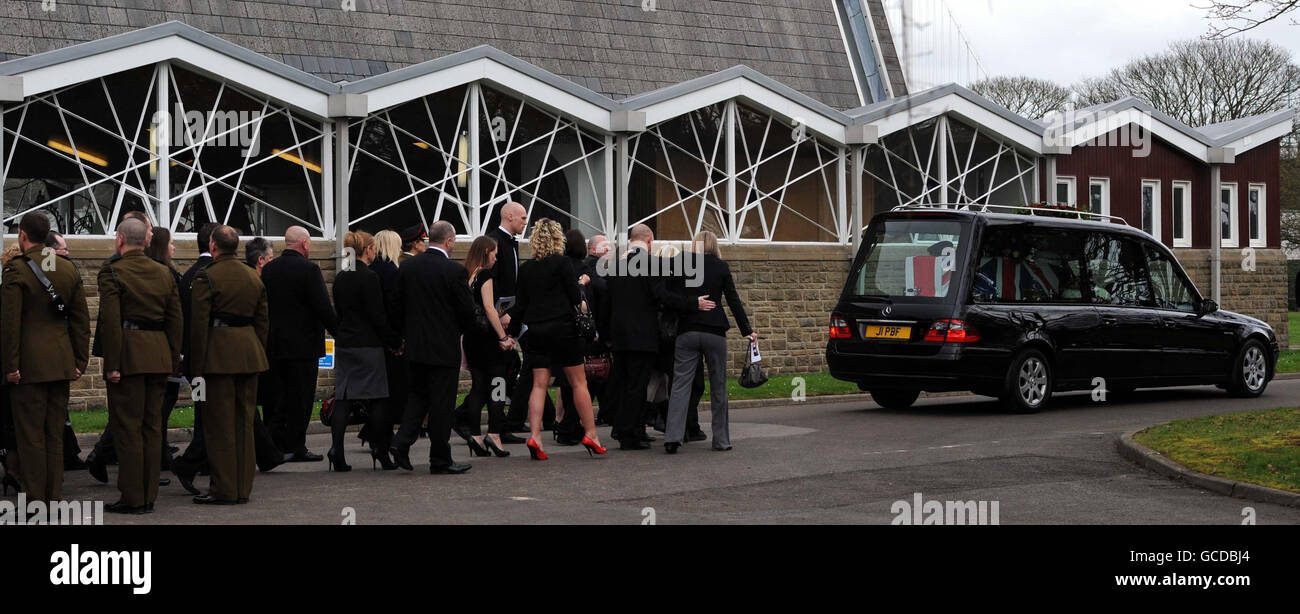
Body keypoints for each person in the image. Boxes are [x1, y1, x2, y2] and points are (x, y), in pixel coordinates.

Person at [1, 211, 91, 502]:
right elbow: (80, 321)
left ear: (23, 236)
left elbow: (10, 324)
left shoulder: (16, 269)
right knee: (54, 433)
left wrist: (10, 365)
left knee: (31, 435)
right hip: (61, 361)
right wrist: (79, 361)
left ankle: (36, 497)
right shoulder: (63, 267)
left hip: (29, 365)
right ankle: (53, 495)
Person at [598, 224, 714, 450]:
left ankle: (624, 427)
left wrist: (606, 335)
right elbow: (663, 296)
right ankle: (628, 434)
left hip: (619, 334)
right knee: (637, 385)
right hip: (642, 334)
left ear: (631, 240)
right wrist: (693, 302)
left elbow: (606, 303)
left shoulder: (616, 265)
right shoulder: (653, 264)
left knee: (624, 383)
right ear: (650, 241)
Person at [96, 218, 183, 513]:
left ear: (120, 239)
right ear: (145, 241)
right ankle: (148, 494)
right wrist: (171, 358)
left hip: (129, 357)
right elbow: (175, 320)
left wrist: (113, 364)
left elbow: (110, 322)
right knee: (151, 427)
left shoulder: (112, 272)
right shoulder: (164, 273)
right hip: (158, 355)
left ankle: (133, 496)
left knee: (128, 429)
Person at [503, 218, 607, 460]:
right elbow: (574, 297)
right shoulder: (562, 264)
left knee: (539, 384)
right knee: (578, 382)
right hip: (563, 329)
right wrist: (580, 288)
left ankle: (536, 436)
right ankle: (591, 433)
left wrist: (511, 334)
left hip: (536, 331)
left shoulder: (527, 268)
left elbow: (521, 305)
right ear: (557, 239)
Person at [189, 224, 270, 504]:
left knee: (220, 426)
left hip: (218, 358)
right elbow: (262, 322)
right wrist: (256, 350)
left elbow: (199, 328)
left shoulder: (206, 277)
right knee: (244, 423)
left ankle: (224, 488)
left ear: (213, 246)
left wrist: (195, 368)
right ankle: (242, 488)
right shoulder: (252, 276)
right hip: (249, 355)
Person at [390, 220, 475, 475]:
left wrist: (400, 339)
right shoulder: (454, 271)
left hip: (416, 346)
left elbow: (397, 307)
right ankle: (440, 459)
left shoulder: (408, 268)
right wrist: (457, 331)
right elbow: (467, 311)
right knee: (441, 404)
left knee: (418, 396)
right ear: (448, 241)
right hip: (443, 348)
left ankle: (401, 442)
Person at [663, 231, 756, 453]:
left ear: (695, 244)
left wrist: (692, 304)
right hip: (715, 331)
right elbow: (733, 301)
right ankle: (721, 440)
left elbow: (668, 297)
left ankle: (673, 437)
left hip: (687, 331)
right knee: (719, 387)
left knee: (680, 386)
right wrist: (748, 331)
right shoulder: (721, 267)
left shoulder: (680, 264)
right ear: (715, 245)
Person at [262, 225, 337, 462]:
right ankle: (295, 445)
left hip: (274, 345)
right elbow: (322, 307)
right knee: (301, 398)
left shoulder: (269, 269)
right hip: (303, 347)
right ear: (304, 244)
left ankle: (273, 443)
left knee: (277, 397)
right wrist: (340, 334)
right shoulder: (309, 270)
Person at [330, 231, 402, 471]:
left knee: (343, 396)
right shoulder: (369, 278)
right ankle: (380, 450)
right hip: (368, 344)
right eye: (372, 249)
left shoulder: (341, 277)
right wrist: (394, 341)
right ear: (368, 250)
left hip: (346, 342)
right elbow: (377, 316)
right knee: (378, 397)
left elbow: (339, 311)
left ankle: (336, 450)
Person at [493, 202, 554, 436]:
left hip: (515, 314)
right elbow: (494, 280)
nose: (525, 221)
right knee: (526, 366)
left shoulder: (511, 242)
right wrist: (501, 314)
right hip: (504, 315)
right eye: (522, 217)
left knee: (532, 364)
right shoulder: (496, 242)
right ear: (509, 216)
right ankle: (509, 421)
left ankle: (538, 418)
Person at [452, 236, 513, 457]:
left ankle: (476, 436)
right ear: (486, 251)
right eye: (495, 253)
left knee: (478, 387)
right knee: (498, 384)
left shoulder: (467, 274)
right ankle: (494, 434)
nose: (497, 258)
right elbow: (488, 307)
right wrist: (503, 336)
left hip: (471, 337)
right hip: (487, 339)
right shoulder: (485, 275)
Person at [362, 229, 405, 450]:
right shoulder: (391, 271)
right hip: (387, 340)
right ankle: (382, 438)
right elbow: (393, 308)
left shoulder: (369, 270)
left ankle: (373, 432)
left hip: (367, 338)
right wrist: (397, 340)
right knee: (389, 393)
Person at [146, 228, 185, 472]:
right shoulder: (167, 275)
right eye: (171, 243)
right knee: (160, 408)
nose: (174, 248)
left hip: (158, 349)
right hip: (165, 349)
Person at [552, 228, 593, 446]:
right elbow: (581, 300)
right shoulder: (582, 270)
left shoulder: (557, 267)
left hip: (558, 327)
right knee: (578, 382)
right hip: (576, 330)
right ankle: (571, 426)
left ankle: (561, 422)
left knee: (562, 382)